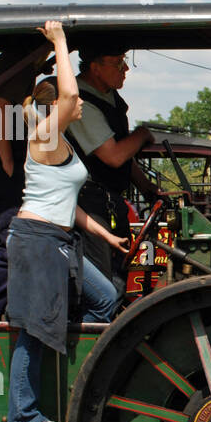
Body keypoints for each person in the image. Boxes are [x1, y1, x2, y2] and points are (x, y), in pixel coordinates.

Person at [6, 21, 126, 422]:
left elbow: (67, 204)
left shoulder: (62, 144)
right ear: (58, 105)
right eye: (72, 103)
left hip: (61, 238)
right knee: (35, 326)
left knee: (105, 297)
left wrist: (105, 235)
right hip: (37, 241)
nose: (79, 106)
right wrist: (59, 42)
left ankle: (78, 385)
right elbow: (72, 93)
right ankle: (25, 418)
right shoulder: (44, 133)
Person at [64, 39, 161, 295]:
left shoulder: (109, 97)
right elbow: (114, 156)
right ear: (95, 68)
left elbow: (123, 157)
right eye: (119, 64)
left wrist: (149, 189)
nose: (125, 70)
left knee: (118, 281)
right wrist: (142, 135)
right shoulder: (80, 103)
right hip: (88, 206)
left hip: (110, 204)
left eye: (124, 62)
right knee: (102, 288)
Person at [0, 42, 54, 320]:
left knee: (3, 241)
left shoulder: (20, 64)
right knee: (13, 241)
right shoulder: (20, 61)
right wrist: (7, 161)